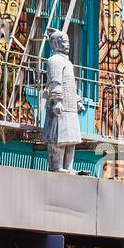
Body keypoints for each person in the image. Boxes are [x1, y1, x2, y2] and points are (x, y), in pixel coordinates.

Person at [42, 29, 84, 174]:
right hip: (60, 106)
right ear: (55, 43)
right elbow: (55, 82)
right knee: (58, 138)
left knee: (71, 139)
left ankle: (68, 166)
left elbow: (71, 85)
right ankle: (56, 166)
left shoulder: (68, 62)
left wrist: (77, 100)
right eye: (64, 42)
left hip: (70, 105)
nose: (68, 44)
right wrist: (57, 100)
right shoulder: (54, 61)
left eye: (68, 41)